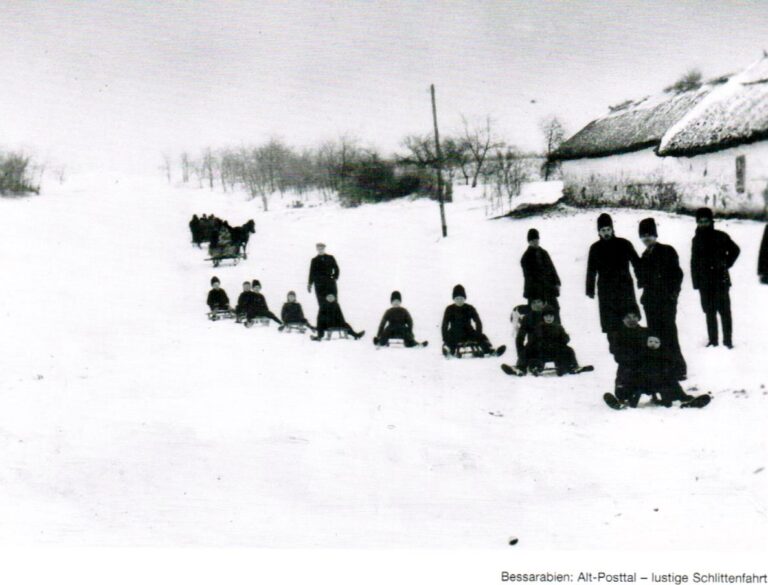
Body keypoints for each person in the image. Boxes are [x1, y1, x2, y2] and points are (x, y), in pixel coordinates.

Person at [636, 218, 687, 380]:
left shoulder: (667, 251)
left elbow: (677, 274)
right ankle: (662, 368)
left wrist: (673, 295)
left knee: (669, 332)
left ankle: (679, 368)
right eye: (643, 235)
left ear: (655, 235)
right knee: (655, 335)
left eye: (650, 234)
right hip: (650, 302)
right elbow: (642, 277)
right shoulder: (644, 255)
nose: (647, 238)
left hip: (665, 301)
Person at [586, 213, 641, 357]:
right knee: (610, 319)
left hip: (624, 287)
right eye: (603, 230)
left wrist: (641, 279)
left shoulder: (624, 244)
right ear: (599, 231)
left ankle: (633, 344)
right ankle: (615, 348)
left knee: (628, 315)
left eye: (608, 229)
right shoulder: (595, 248)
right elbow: (591, 270)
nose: (606, 233)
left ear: (612, 229)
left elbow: (636, 263)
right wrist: (589, 288)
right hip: (606, 289)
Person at [691, 207, 740, 348]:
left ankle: (728, 341)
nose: (703, 224)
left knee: (724, 311)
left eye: (706, 221)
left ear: (711, 221)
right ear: (697, 222)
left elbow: (735, 250)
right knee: (709, 312)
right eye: (700, 221)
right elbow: (694, 262)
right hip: (704, 282)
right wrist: (696, 282)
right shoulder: (696, 240)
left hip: (720, 280)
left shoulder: (721, 236)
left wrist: (726, 263)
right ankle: (713, 340)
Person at [441, 284, 504, 357]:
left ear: (464, 298)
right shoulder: (449, 309)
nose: (459, 301)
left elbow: (478, 321)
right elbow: (444, 325)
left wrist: (478, 333)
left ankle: (491, 351)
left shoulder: (469, 308)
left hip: (468, 332)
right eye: (457, 299)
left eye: (461, 298)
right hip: (454, 332)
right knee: (449, 340)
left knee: (482, 337)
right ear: (454, 299)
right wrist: (445, 337)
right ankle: (448, 351)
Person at [526, 305, 586, 376]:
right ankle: (535, 367)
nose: (549, 318)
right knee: (534, 352)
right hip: (543, 352)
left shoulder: (558, 327)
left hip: (555, 351)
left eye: (551, 316)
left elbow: (565, 338)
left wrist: (564, 338)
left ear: (554, 317)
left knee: (569, 350)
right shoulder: (539, 328)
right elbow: (532, 341)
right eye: (546, 316)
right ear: (543, 317)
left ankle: (572, 366)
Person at [520, 228, 561, 318]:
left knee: (555, 310)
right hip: (535, 292)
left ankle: (557, 331)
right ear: (529, 241)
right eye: (532, 240)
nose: (535, 242)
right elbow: (528, 277)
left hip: (549, 288)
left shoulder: (544, 253)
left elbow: (552, 269)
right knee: (537, 315)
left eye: (536, 240)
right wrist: (535, 295)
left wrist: (557, 282)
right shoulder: (525, 258)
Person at [513, 298, 546, 371]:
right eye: (533, 303)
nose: (536, 305)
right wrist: (520, 352)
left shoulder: (550, 316)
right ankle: (520, 369)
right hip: (532, 346)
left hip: (547, 346)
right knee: (527, 351)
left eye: (538, 302)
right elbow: (520, 337)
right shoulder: (527, 318)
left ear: (544, 304)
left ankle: (535, 367)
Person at [308, 243, 340, 307]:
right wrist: (310, 284)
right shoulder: (314, 260)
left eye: (322, 248)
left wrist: (334, 278)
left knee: (333, 303)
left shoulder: (330, 258)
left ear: (324, 248)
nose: (320, 250)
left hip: (330, 284)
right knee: (322, 304)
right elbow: (311, 273)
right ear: (317, 249)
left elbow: (336, 269)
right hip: (319, 285)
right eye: (319, 248)